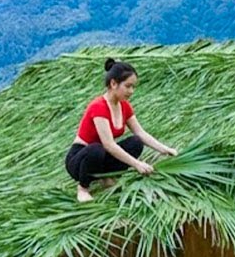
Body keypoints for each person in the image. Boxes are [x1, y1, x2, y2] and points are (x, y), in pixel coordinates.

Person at [65, 58, 178, 202]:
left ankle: (106, 177)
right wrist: (137, 164)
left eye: (133, 87)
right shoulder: (98, 106)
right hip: (81, 160)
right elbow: (109, 145)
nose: (131, 91)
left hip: (102, 156)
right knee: (96, 149)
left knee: (136, 142)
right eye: (128, 86)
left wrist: (165, 149)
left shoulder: (124, 106)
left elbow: (140, 133)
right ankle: (83, 188)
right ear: (113, 84)